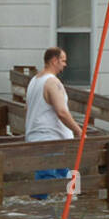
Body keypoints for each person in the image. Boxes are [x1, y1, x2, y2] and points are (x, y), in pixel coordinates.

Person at [25, 47, 83, 200]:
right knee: (47, 180)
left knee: (65, 179)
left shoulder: (34, 81)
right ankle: (44, 215)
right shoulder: (52, 82)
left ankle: (64, 210)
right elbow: (62, 112)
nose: (65, 65)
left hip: (39, 137)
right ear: (54, 60)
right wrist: (78, 130)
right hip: (50, 139)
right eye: (63, 61)